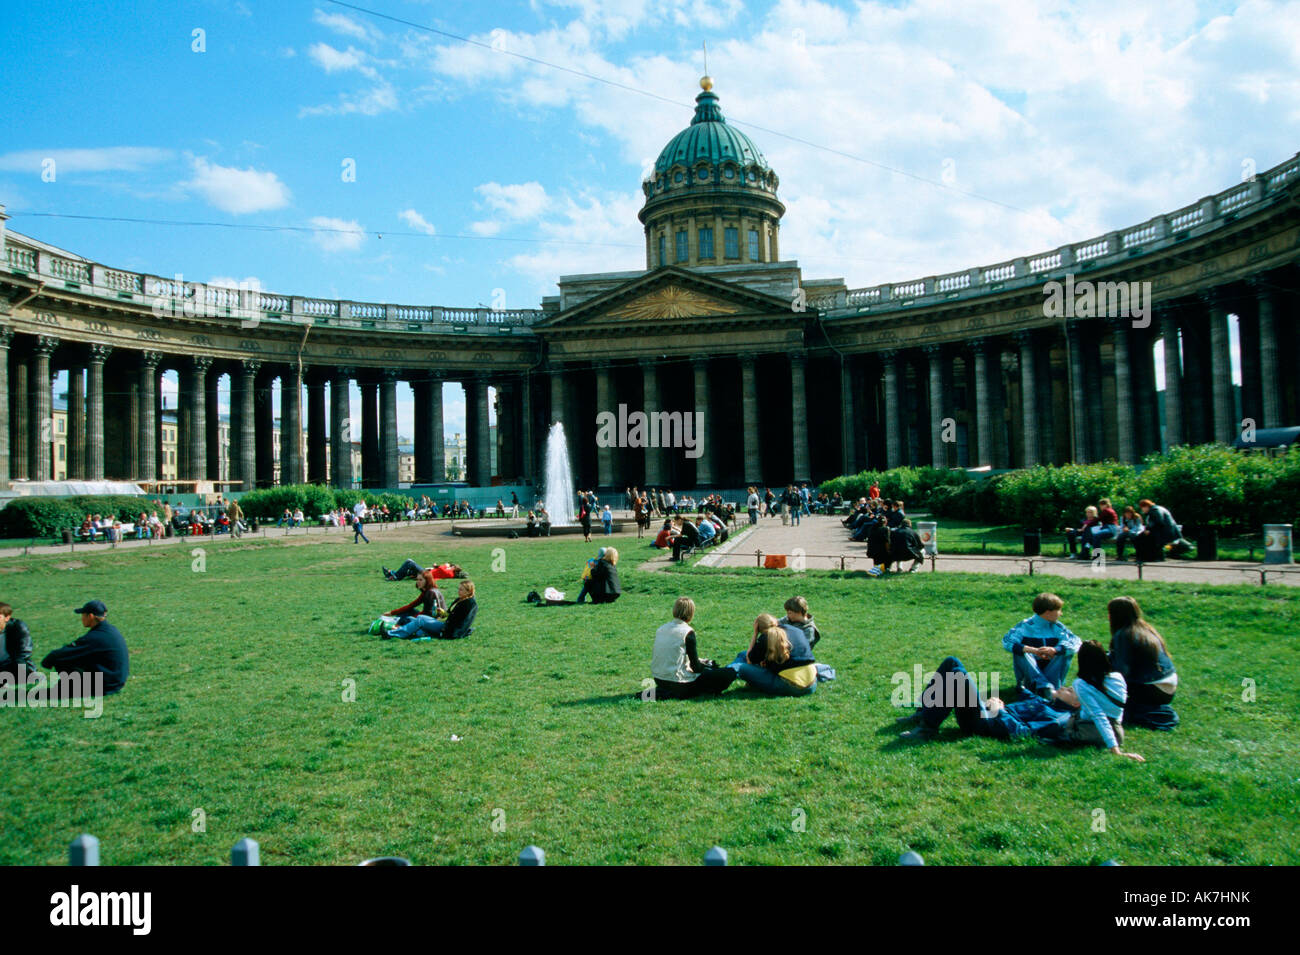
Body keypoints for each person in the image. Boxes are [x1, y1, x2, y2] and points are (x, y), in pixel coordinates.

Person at [897, 656, 1071, 742]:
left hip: (986, 724)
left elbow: (1023, 732)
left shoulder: (1057, 718)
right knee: (952, 662)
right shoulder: (1050, 703)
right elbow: (1026, 696)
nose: (1065, 687)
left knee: (958, 676)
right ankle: (923, 713)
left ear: (1076, 704)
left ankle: (927, 728)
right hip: (987, 713)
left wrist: (1000, 711)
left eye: (1070, 692)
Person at [1051, 640, 1145, 760]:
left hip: (1091, 730)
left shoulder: (1081, 684)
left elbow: (1098, 716)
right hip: (1117, 730)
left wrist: (1115, 750)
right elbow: (1118, 711)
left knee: (1060, 722)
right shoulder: (1118, 677)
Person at [1107, 596, 1179, 730]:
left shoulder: (1124, 634)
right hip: (1166, 686)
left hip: (1154, 689)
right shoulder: (1145, 628)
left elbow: (1121, 672)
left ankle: (1157, 714)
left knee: (1113, 705)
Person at [649, 597, 737, 699]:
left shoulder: (661, 629)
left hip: (659, 679)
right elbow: (695, 667)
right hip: (678, 683)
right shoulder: (687, 632)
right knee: (729, 673)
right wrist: (707, 667)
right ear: (691, 613)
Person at [1001, 592, 1080, 700]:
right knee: (1021, 651)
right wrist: (1033, 650)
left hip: (1052, 674)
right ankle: (1045, 688)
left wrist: (1055, 650)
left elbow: (1076, 642)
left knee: (1065, 651)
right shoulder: (1025, 626)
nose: (1060, 614)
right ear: (1048, 612)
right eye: (1059, 610)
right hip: (1030, 676)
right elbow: (1007, 642)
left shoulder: (1058, 627)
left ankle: (1049, 689)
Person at [40, 600, 129, 696]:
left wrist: (47, 662)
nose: (81, 618)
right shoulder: (110, 630)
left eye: (83, 615)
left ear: (90, 616)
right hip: (116, 682)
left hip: (105, 686)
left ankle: (69, 688)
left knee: (63, 659)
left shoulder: (95, 637)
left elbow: (60, 655)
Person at [725, 612, 817, 696]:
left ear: (760, 629)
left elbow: (750, 660)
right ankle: (728, 671)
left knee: (741, 667)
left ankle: (724, 672)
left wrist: (755, 634)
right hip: (812, 684)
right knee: (742, 654)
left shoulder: (766, 637)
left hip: (792, 687)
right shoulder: (795, 630)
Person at [386, 580, 477, 640]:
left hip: (448, 630)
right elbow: (450, 614)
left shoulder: (468, 604)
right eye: (459, 589)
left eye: (461, 590)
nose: (458, 591)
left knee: (420, 620)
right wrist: (442, 612)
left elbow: (459, 621)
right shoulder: (459, 600)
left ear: (468, 591)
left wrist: (441, 622)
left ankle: (392, 634)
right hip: (445, 625)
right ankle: (401, 631)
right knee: (418, 619)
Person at [0, 602, 38, 682]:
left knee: (20, 663)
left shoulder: (17, 627)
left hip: (13, 667)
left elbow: (24, 653)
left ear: (7, 617)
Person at [384, 560, 464, 582]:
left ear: (454, 569)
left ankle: (395, 576)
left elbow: (441, 570)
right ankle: (392, 574)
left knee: (410, 562)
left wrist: (446, 565)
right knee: (410, 568)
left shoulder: (450, 574)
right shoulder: (448, 571)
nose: (450, 566)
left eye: (452, 566)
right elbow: (439, 569)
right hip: (426, 571)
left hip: (426, 574)